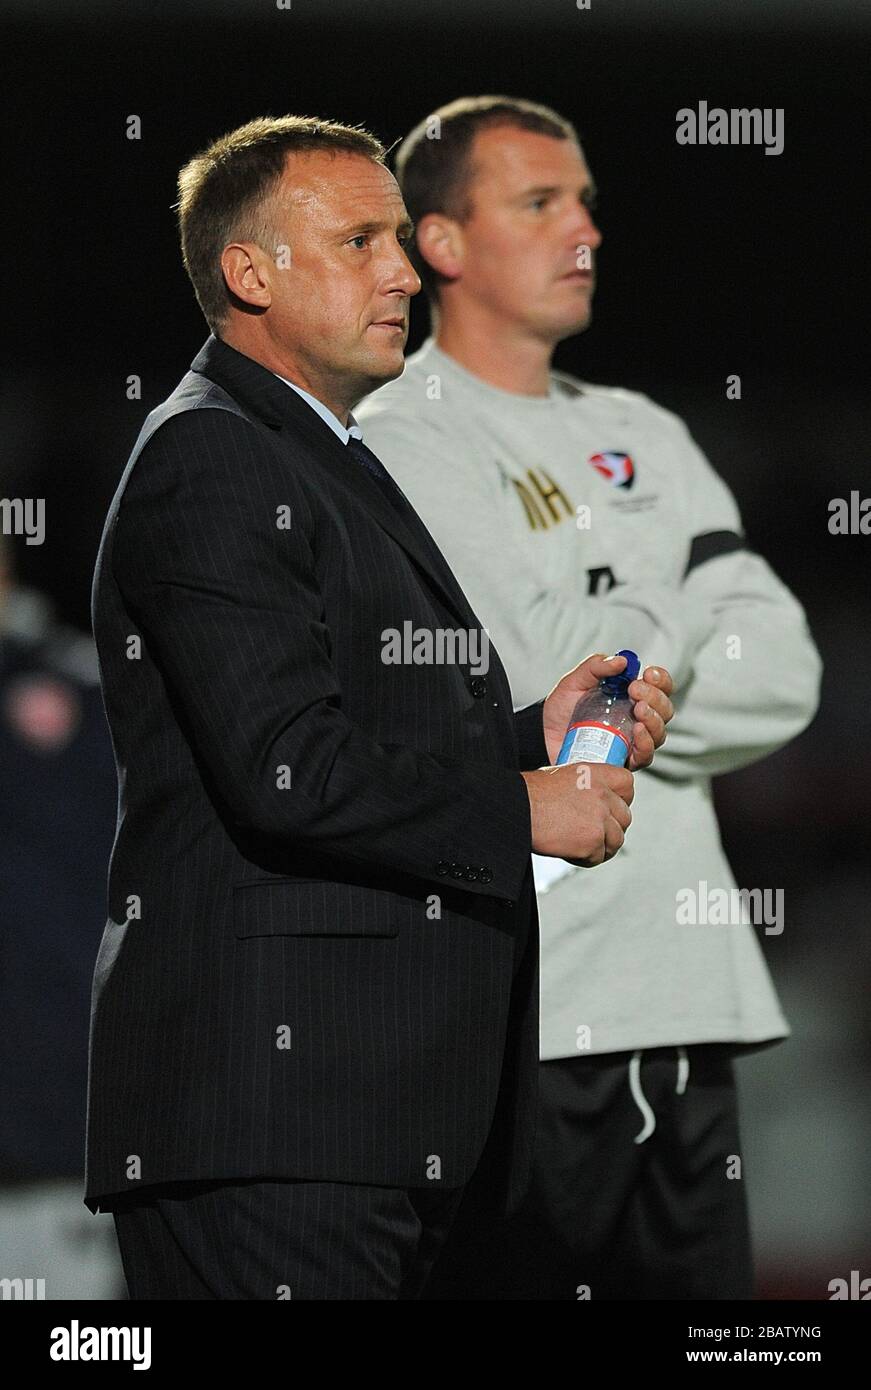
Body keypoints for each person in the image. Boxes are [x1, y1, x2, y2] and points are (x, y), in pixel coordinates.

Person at [83, 114, 674, 1300]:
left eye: (401, 238)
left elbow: (346, 734)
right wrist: (520, 806)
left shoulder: (315, 454)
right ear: (250, 273)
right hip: (280, 1125)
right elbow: (285, 767)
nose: (405, 271)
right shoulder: (214, 455)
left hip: (363, 1122)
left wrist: (530, 735)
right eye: (360, 240)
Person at [357, 96, 823, 1299]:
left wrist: (617, 629)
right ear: (443, 242)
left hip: (691, 999)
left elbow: (783, 670)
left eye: (587, 204)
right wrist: (677, 607)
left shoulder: (645, 430)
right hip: (533, 1009)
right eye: (540, 202)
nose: (585, 231)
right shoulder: (397, 440)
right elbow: (534, 690)